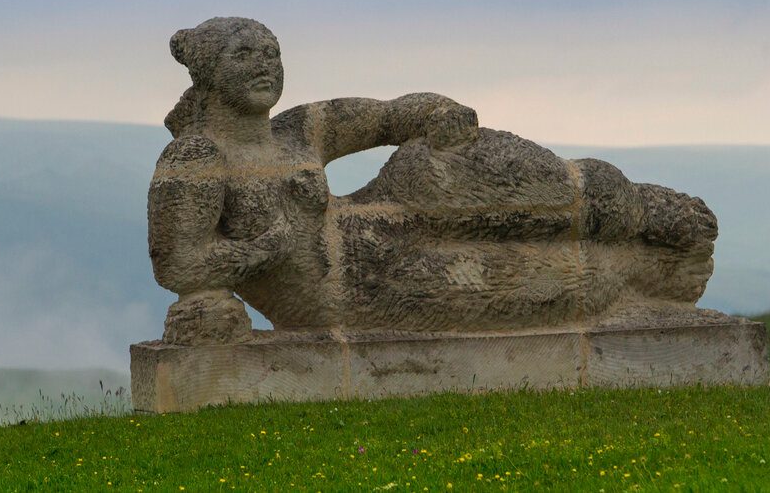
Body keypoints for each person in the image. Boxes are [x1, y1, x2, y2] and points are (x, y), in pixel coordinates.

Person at [149, 17, 716, 343]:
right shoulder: (197, 159)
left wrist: (434, 111)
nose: (264, 64)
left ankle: (634, 208)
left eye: (271, 52)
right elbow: (180, 264)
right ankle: (659, 273)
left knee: (442, 164)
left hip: (384, 225)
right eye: (244, 54)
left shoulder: (299, 128)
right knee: (562, 280)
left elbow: (388, 115)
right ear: (209, 71)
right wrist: (269, 246)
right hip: (359, 290)